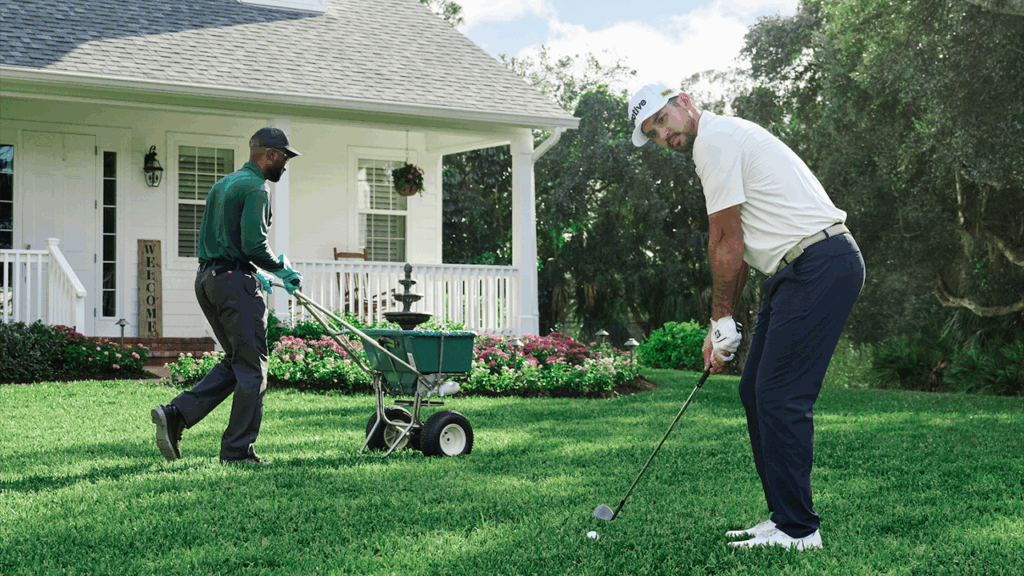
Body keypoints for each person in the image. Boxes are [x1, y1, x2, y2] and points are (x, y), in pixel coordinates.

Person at [628, 83, 865, 550]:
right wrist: (722, 324)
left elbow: (726, 242)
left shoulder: (715, 140)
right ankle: (783, 518)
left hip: (819, 263)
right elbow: (732, 241)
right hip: (795, 269)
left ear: (683, 101)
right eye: (653, 132)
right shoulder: (719, 140)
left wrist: (721, 319)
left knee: (780, 395)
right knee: (756, 390)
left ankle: (800, 531)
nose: (663, 135)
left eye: (662, 119)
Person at [151, 127, 304, 466]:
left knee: (238, 361)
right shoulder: (256, 189)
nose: (285, 167)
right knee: (254, 369)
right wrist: (281, 269)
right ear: (271, 155)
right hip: (235, 283)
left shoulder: (222, 185)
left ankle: (177, 413)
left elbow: (227, 242)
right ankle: (237, 451)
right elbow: (253, 245)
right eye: (284, 159)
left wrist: (256, 273)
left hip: (208, 279)